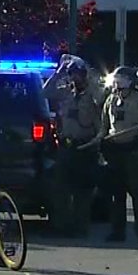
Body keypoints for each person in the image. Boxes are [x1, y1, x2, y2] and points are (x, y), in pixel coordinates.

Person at [42, 57, 101, 237]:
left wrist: (89, 78)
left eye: (78, 74)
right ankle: (62, 226)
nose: (75, 78)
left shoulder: (92, 95)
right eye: (72, 74)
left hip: (86, 147)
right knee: (61, 188)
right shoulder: (65, 92)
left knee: (82, 191)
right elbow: (45, 93)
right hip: (66, 147)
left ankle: (80, 227)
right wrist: (59, 71)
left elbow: (102, 97)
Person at [99, 66, 138, 243]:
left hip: (133, 151)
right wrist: (101, 140)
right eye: (116, 79)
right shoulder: (110, 100)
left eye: (122, 78)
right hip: (115, 152)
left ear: (130, 81)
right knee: (117, 194)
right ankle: (117, 231)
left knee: (137, 193)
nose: (118, 82)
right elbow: (104, 126)